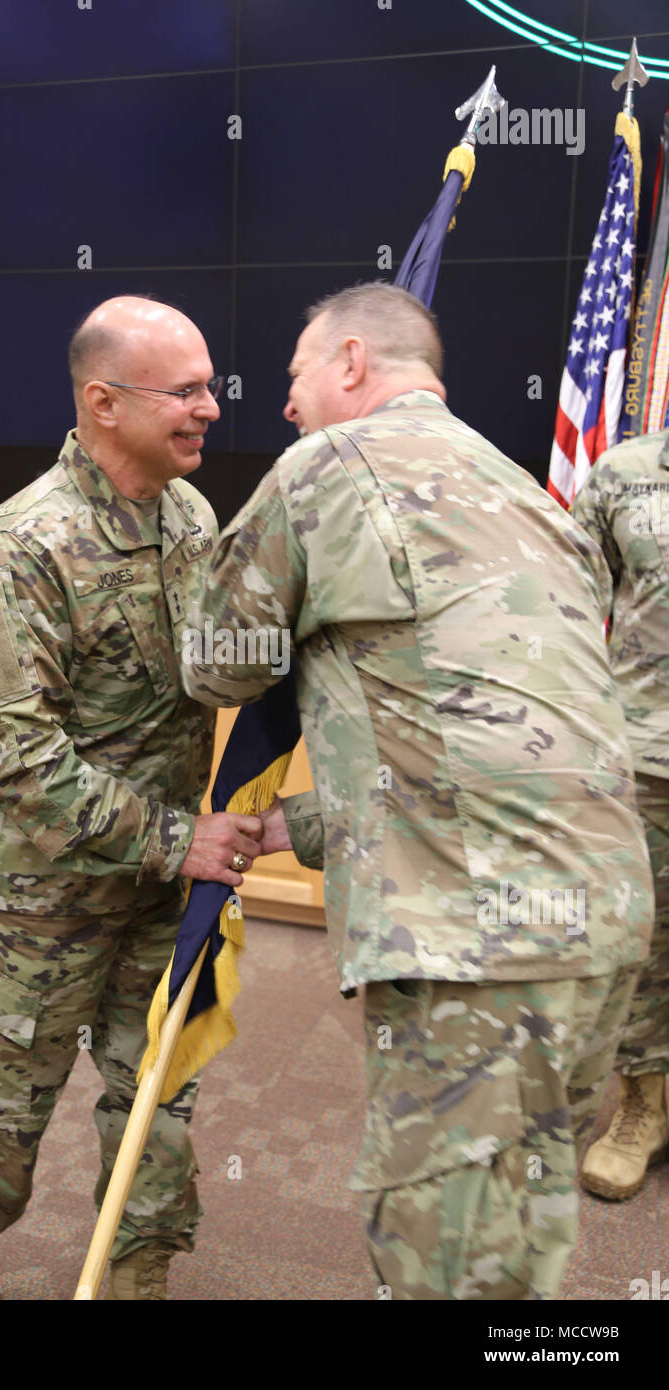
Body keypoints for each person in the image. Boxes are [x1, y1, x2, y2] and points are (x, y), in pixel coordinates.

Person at [180, 281, 654, 1300]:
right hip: (602, 925)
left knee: (437, 1256)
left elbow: (215, 666)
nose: (286, 404)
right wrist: (296, 824)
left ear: (352, 361)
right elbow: (500, 734)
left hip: (475, 948)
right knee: (516, 1236)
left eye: (297, 376)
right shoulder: (534, 497)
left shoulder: (324, 468)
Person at [0, 296, 262, 1300]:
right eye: (185, 390)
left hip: (158, 893)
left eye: (210, 383)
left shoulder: (190, 516)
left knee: (159, 1097)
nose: (210, 406)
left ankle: (133, 1273)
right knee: (1, 1113)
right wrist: (174, 837)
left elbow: (206, 661)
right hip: (35, 905)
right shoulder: (14, 554)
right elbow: (16, 759)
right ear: (103, 402)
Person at [572, 427, 669, 1200]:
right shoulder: (626, 472)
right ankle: (643, 1107)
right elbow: (566, 608)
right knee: (645, 941)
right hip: (648, 750)